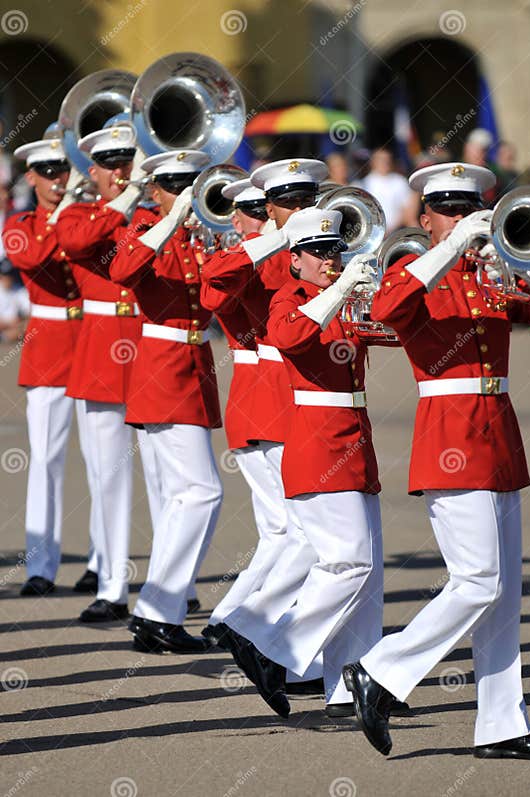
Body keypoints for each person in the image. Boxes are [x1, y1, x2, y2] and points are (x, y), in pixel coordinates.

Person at [342, 162, 530, 760]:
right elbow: (385, 305)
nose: (462, 219)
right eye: (448, 210)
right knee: (478, 581)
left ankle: (502, 725)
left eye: (470, 208)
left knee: (504, 594)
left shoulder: (488, 275)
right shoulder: (417, 271)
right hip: (450, 438)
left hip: (499, 436)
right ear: (426, 219)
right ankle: (379, 670)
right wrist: (448, 249)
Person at [223, 207, 391, 719]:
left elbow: (396, 332)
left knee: (362, 570)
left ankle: (344, 681)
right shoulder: (288, 298)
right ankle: (269, 644)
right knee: (349, 562)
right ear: (294, 260)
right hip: (318, 442)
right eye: (317, 253)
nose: (329, 260)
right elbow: (289, 336)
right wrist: (338, 291)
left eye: (334, 250)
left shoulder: (342, 296)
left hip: (354, 439)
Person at [109, 149, 222, 652]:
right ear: (155, 190)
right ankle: (159, 611)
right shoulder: (143, 227)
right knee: (202, 492)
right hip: (162, 368)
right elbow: (122, 270)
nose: (185, 194)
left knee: (183, 496)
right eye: (174, 186)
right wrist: (171, 220)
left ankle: (156, 614)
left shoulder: (204, 233)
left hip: (193, 366)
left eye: (191, 184)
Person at [55, 123, 162, 622]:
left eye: (126, 162)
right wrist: (125, 201)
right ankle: (113, 585)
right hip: (102, 350)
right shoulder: (78, 214)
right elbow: (76, 241)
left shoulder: (151, 215)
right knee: (109, 478)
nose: (120, 172)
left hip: (150, 345)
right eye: (109, 165)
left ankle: (172, 587)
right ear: (92, 172)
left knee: (165, 477)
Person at [2, 138, 93, 595]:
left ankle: (103, 563)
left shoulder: (88, 214)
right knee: (45, 459)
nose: (59, 179)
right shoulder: (20, 223)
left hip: (95, 341)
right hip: (49, 345)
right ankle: (40, 567)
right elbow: (33, 257)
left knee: (105, 461)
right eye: (49, 171)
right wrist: (68, 216)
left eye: (65, 169)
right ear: (31, 177)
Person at [200, 177, 290, 637]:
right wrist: (272, 240)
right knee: (288, 529)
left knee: (281, 528)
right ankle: (236, 621)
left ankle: (234, 619)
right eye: (254, 214)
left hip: (263, 397)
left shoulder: (275, 256)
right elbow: (211, 294)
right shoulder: (249, 260)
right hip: (266, 400)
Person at [358, 147, 411, 232]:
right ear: (373, 162)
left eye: (387, 160)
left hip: (397, 231)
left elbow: (407, 209)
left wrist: (391, 230)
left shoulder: (400, 181)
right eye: (381, 160)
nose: (385, 163)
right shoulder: (363, 184)